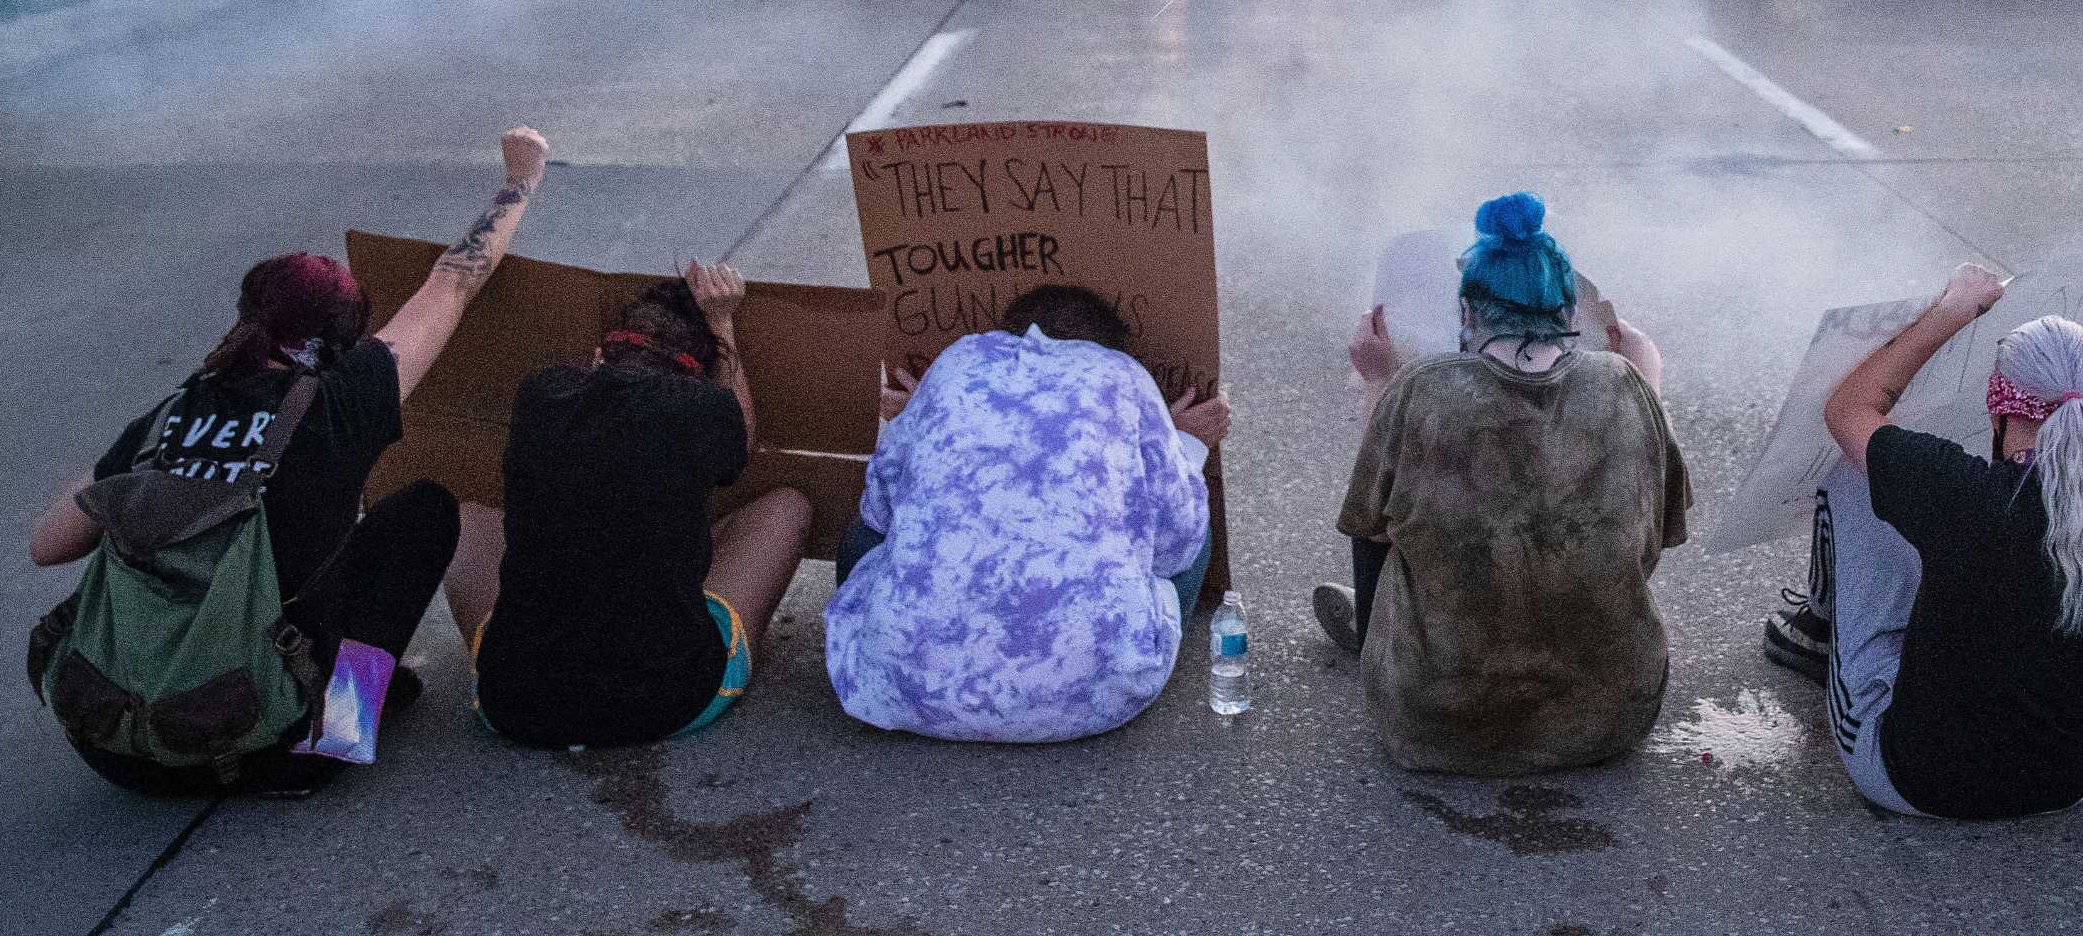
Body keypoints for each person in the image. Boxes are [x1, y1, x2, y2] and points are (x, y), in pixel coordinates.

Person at [29, 127, 552, 794]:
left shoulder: (169, 417)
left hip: (118, 750)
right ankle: (344, 720)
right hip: (277, 746)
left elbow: (48, 545)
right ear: (340, 339)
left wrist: (136, 456)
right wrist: (521, 176)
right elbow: (454, 281)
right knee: (422, 511)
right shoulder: (338, 400)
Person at [1768, 270, 2083, 820]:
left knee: (1855, 475)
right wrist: (2082, 634)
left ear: (1999, 411)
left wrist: (1954, 309)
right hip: (2073, 780)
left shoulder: (1954, 488)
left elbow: (1847, 409)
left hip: (1912, 781)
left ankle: (1816, 627)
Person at [1325, 194, 1690, 775]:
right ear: (1571, 315)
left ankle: (1379, 632)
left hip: (1435, 725)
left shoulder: (1422, 390)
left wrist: (1377, 383)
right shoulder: (1624, 384)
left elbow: (1370, 514)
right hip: (1611, 718)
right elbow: (1661, 524)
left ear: (1466, 314)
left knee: (1386, 519)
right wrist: (1650, 374)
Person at [823, 285, 1231, 742]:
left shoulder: (956, 364)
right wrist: (1185, 445)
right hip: (1097, 698)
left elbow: (877, 514)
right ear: (1106, 345)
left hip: (900, 684)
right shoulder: (1126, 377)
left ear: (1009, 332)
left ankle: (897, 633)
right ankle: (1123, 646)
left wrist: (922, 416)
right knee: (1193, 518)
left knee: (867, 539)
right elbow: (1177, 548)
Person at [448, 264, 811, 749]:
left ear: (599, 356)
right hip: (668, 703)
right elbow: (736, 451)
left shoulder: (541, 393)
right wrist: (723, 324)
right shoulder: (701, 410)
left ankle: (520, 654)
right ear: (696, 377)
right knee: (788, 507)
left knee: (465, 518)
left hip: (514, 704)